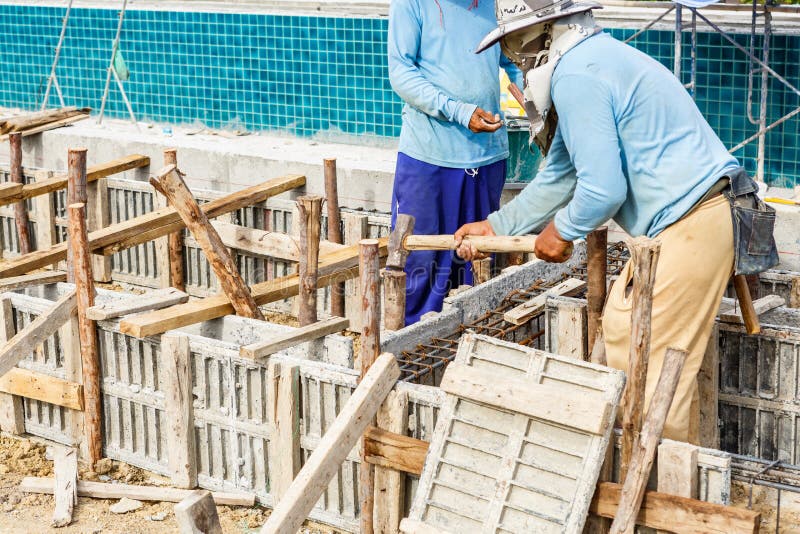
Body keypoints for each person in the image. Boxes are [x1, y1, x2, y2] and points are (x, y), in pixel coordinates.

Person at [454, 0, 778, 442]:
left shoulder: (576, 76)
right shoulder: (592, 60)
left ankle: (658, 487)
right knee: (629, 337)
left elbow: (603, 190)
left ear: (539, 34)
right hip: (691, 219)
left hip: (694, 219)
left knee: (652, 368)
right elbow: (564, 173)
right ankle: (648, 471)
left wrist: (560, 231)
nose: (513, 58)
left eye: (512, 45)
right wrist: (497, 226)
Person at [388, 0, 523, 326]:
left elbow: (515, 60)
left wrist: (533, 96)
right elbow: (401, 73)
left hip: (487, 159)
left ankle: (467, 358)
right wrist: (459, 111)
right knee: (420, 270)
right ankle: (412, 360)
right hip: (428, 161)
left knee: (475, 270)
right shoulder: (411, 3)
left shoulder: (497, 3)